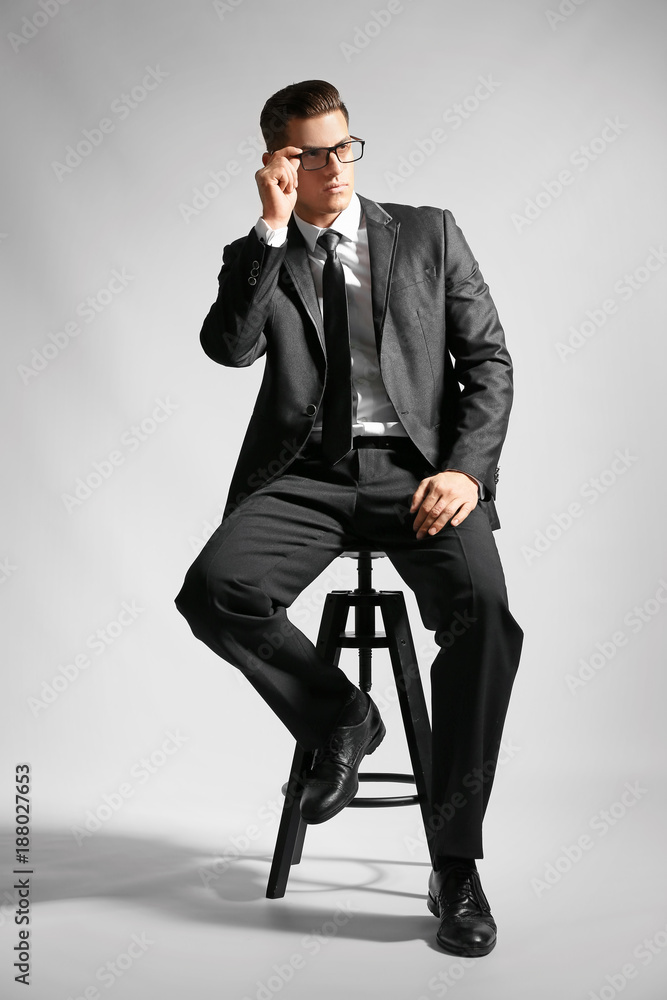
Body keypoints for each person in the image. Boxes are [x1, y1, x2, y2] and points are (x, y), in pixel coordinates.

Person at [175, 79, 523, 957]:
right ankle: (339, 717)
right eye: (309, 153)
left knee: (484, 619)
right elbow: (231, 347)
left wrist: (464, 472)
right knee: (217, 591)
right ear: (277, 161)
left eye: (343, 147)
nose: (334, 166)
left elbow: (486, 361)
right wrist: (269, 227)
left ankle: (457, 864)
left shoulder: (428, 231)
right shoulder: (260, 250)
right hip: (309, 475)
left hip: (419, 476)